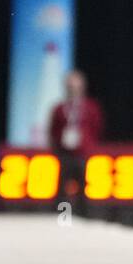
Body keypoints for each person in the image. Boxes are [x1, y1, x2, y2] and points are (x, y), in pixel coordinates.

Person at [48, 71, 105, 215]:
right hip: (65, 153)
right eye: (70, 87)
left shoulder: (91, 107)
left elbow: (97, 127)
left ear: (82, 87)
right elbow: (53, 130)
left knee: (83, 187)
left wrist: (88, 145)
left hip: (83, 153)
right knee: (62, 188)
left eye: (76, 86)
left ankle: (83, 216)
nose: (73, 90)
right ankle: (63, 217)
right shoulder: (59, 108)